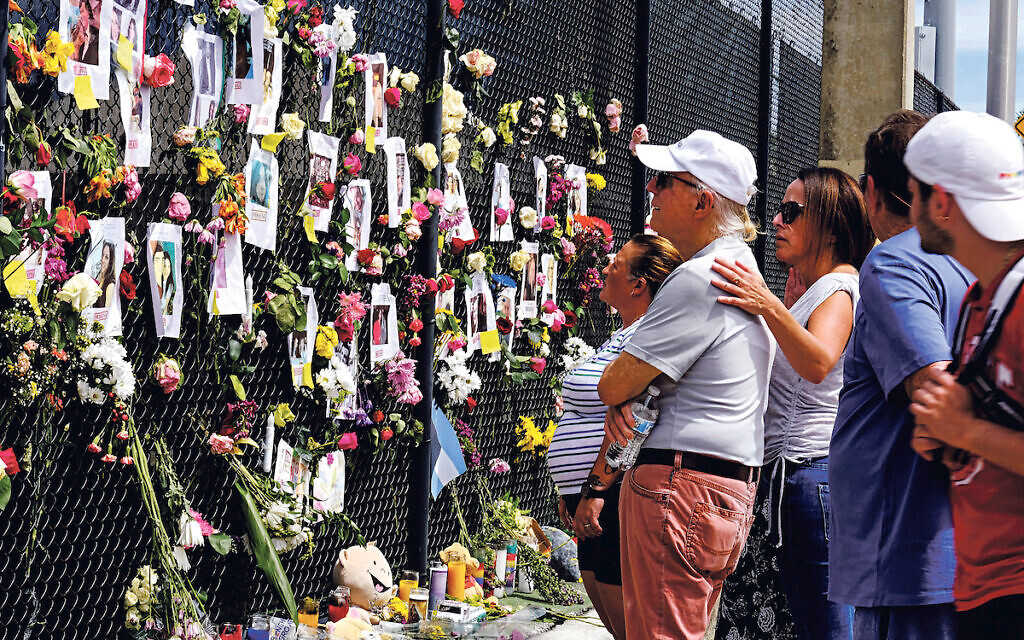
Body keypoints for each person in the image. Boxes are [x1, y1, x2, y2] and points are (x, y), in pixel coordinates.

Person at [596, 130, 775, 640]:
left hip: (681, 488)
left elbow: (613, 385)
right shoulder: (739, 268)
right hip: (714, 486)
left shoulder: (701, 277)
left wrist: (628, 396)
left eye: (664, 181)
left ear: (703, 200)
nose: (651, 189)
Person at [827, 110, 974, 640]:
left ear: (871, 191)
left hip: (911, 561)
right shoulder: (982, 263)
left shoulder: (895, 263)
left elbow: (937, 394)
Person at [711, 167, 874, 640]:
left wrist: (769, 306)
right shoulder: (816, 288)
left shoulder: (840, 286)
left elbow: (819, 362)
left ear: (827, 223)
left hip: (806, 478)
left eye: (792, 212)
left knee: (822, 628)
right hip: (787, 481)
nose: (777, 221)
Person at [902, 110, 1024, 639]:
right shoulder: (981, 299)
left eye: (915, 193)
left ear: (943, 202)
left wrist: (966, 431)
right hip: (984, 587)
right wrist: (950, 440)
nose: (910, 208)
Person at [550, 234, 683, 640]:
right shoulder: (622, 336)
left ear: (639, 285)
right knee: (613, 622)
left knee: (630, 627)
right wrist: (570, 489)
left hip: (609, 496)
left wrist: (594, 489)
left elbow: (632, 423)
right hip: (589, 497)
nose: (606, 267)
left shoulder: (643, 339)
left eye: (617, 264)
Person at [92, 241, 117, 308]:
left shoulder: (110, 284)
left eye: (106, 257)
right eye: (102, 255)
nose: (102, 260)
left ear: (110, 262)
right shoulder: (98, 276)